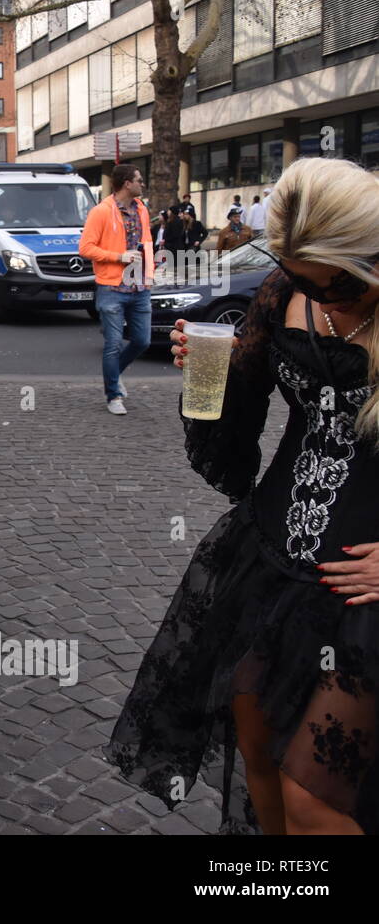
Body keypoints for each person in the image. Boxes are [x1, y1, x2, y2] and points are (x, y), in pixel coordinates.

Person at [107, 155, 379, 834]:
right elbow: (234, 430)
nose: (321, 299)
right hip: (266, 563)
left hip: (361, 598)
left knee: (313, 801)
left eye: (338, 287)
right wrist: (208, 378)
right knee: (258, 759)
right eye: (301, 280)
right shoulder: (280, 294)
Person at [78, 163, 154, 415]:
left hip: (140, 286)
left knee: (142, 341)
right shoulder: (101, 212)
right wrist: (118, 256)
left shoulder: (141, 209)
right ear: (126, 183)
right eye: (139, 180)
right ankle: (113, 395)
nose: (142, 184)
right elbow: (86, 248)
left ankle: (114, 374)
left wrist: (152, 271)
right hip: (111, 288)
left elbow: (147, 243)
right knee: (112, 344)